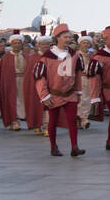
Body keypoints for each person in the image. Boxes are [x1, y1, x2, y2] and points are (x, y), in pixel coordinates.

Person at [34, 24, 85, 158]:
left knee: (72, 120)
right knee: (53, 121)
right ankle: (53, 146)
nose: (68, 39)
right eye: (65, 36)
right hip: (54, 94)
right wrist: (44, 95)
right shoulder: (47, 56)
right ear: (57, 38)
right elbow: (40, 78)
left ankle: (74, 146)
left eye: (69, 36)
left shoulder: (74, 55)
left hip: (70, 93)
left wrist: (78, 91)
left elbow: (78, 74)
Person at [0, 34, 29, 131]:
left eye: (19, 43)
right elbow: (3, 73)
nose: (17, 45)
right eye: (15, 43)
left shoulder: (26, 56)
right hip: (11, 82)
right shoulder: (6, 58)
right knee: (12, 101)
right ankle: (14, 120)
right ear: (11, 44)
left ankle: (23, 118)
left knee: (22, 100)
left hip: (23, 81)